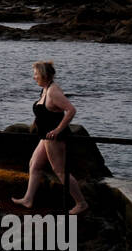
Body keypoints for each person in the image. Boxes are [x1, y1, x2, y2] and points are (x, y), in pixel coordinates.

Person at [11, 60, 90, 215]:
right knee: (34, 164)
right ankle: (28, 199)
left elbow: (71, 110)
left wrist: (58, 129)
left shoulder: (53, 91)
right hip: (45, 136)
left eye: (35, 74)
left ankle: (81, 203)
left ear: (44, 75)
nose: (34, 77)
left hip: (55, 138)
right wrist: (35, 123)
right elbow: (44, 112)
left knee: (60, 171)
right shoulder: (45, 89)